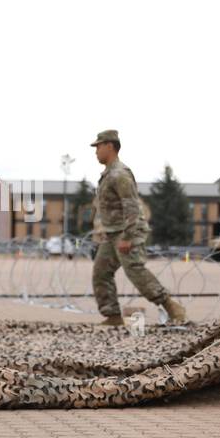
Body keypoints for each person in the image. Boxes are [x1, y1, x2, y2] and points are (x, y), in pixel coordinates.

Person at [90, 130, 188, 327]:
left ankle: (171, 306)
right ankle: (113, 315)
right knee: (101, 273)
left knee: (135, 271)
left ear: (110, 146)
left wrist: (127, 236)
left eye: (98, 146)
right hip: (112, 233)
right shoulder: (109, 173)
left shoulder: (119, 174)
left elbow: (132, 207)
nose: (96, 151)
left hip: (127, 232)